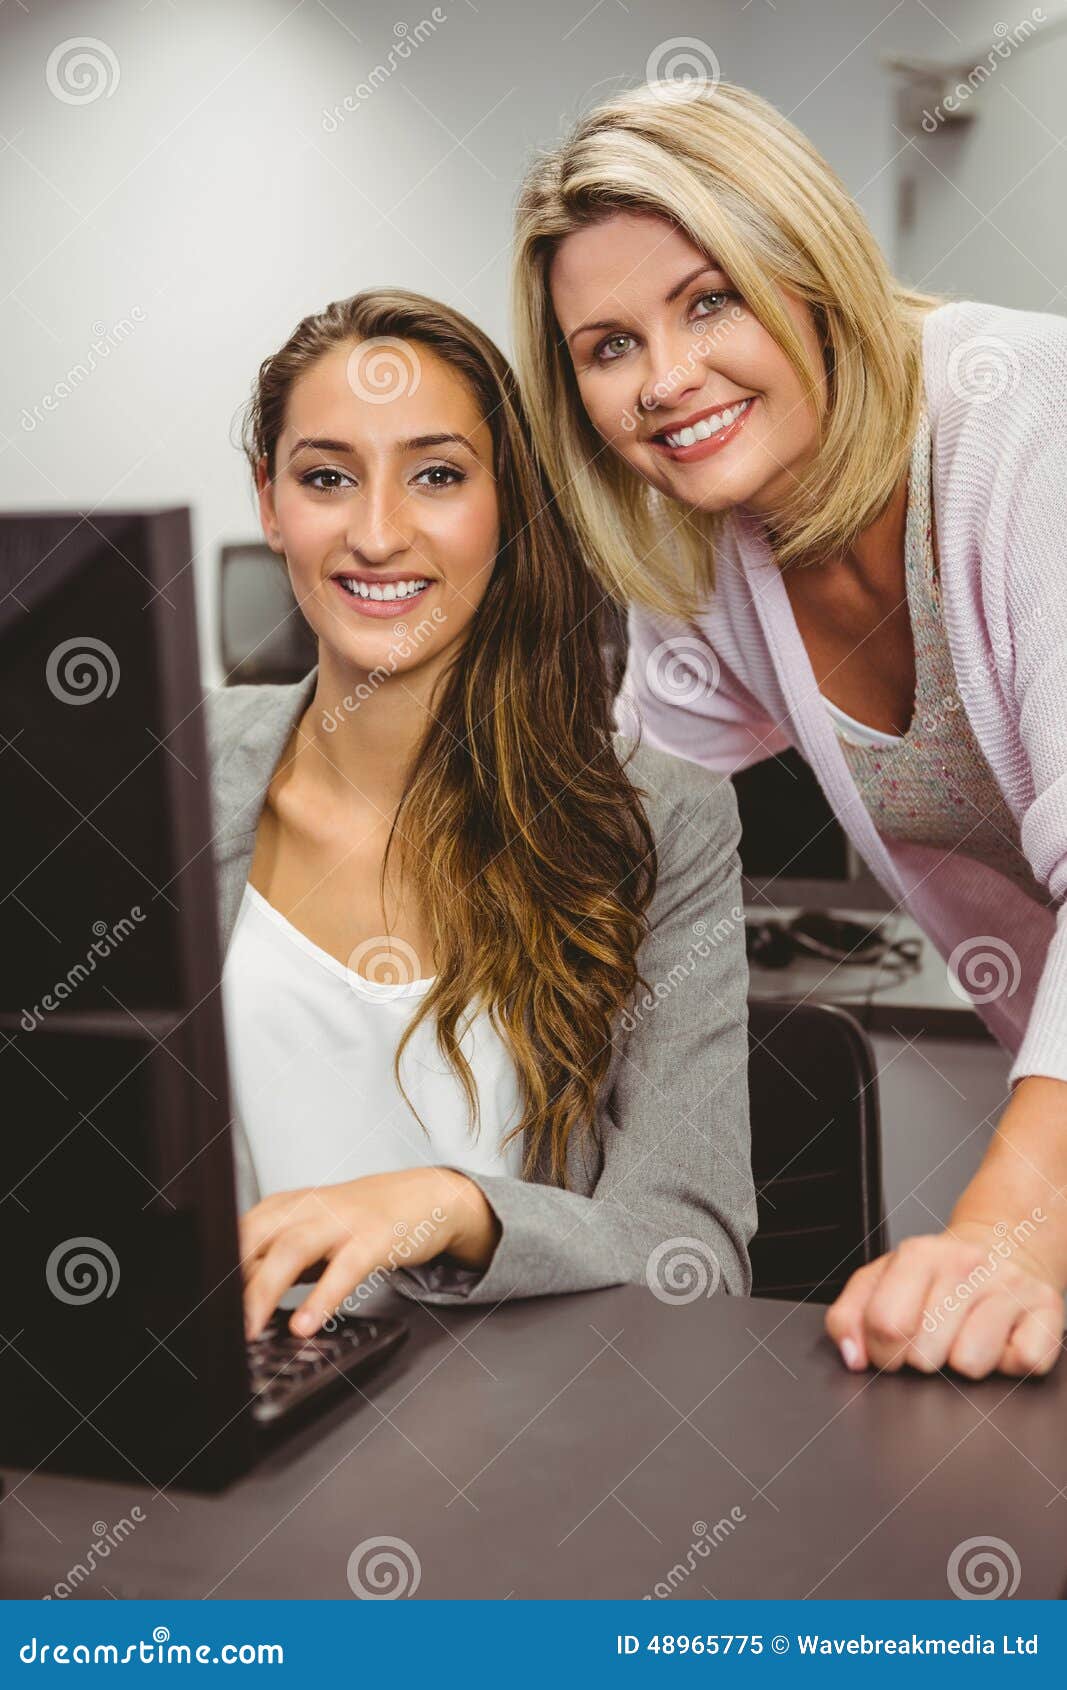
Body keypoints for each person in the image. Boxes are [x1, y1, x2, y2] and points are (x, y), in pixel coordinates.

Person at [510, 77, 1067, 1380]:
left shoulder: (1027, 423)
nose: (664, 379)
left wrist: (1009, 1225)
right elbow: (608, 860)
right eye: (607, 346)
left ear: (807, 272)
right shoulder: (715, 554)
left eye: (708, 300)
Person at [206, 286, 756, 1340]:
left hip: (518, 1448)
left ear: (507, 505)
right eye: (326, 477)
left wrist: (449, 1205)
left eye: (437, 476)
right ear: (270, 503)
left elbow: (693, 1249)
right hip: (218, 1424)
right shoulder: (155, 781)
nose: (376, 533)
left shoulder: (659, 822)